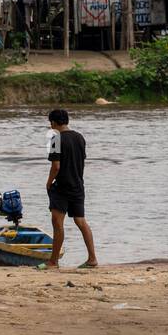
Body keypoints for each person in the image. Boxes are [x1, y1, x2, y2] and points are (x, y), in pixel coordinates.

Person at [46, 109, 97, 269]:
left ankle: (53, 262)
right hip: (77, 185)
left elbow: (56, 166)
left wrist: (49, 182)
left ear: (53, 123)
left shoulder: (55, 139)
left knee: (57, 223)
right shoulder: (80, 138)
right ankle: (92, 259)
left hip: (62, 187)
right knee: (81, 221)